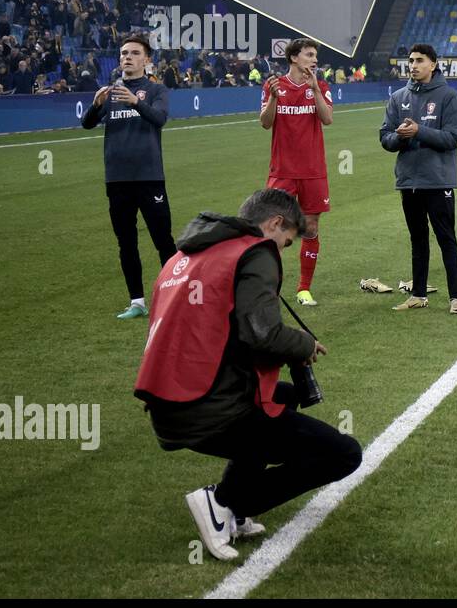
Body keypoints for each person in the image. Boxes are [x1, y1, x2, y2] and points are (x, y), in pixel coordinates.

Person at [133, 188, 362, 561]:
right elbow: (261, 332)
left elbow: (220, 332)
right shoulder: (255, 251)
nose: (282, 250)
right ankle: (225, 501)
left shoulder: (185, 255)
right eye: (286, 242)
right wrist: (303, 345)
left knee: (283, 396)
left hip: (168, 404)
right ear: (274, 223)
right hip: (207, 409)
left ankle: (234, 509)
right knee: (344, 454)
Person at [81, 33, 177, 319]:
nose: (127, 57)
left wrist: (135, 101)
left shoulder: (156, 90)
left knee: (163, 240)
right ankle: (137, 302)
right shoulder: (110, 92)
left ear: (146, 60)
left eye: (134, 53)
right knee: (126, 242)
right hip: (118, 179)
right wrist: (96, 106)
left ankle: (174, 297)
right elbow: (86, 124)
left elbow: (159, 119)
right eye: (124, 53)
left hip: (149, 177)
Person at [379, 43, 457, 314]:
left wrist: (419, 131)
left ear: (433, 64)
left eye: (419, 60)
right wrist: (399, 137)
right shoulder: (398, 97)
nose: (413, 65)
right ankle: (417, 295)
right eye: (411, 60)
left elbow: (452, 138)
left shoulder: (448, 96)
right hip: (409, 181)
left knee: (446, 238)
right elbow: (385, 137)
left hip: (438, 181)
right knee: (417, 239)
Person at [259, 38, 333, 306]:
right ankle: (270, 288)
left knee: (310, 227)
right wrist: (274, 100)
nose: (314, 60)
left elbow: (327, 119)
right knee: (273, 229)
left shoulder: (320, 86)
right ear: (293, 58)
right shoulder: (274, 86)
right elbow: (265, 123)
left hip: (313, 171)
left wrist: (314, 89)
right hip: (283, 171)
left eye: (315, 55)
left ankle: (304, 289)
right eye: (309, 54)